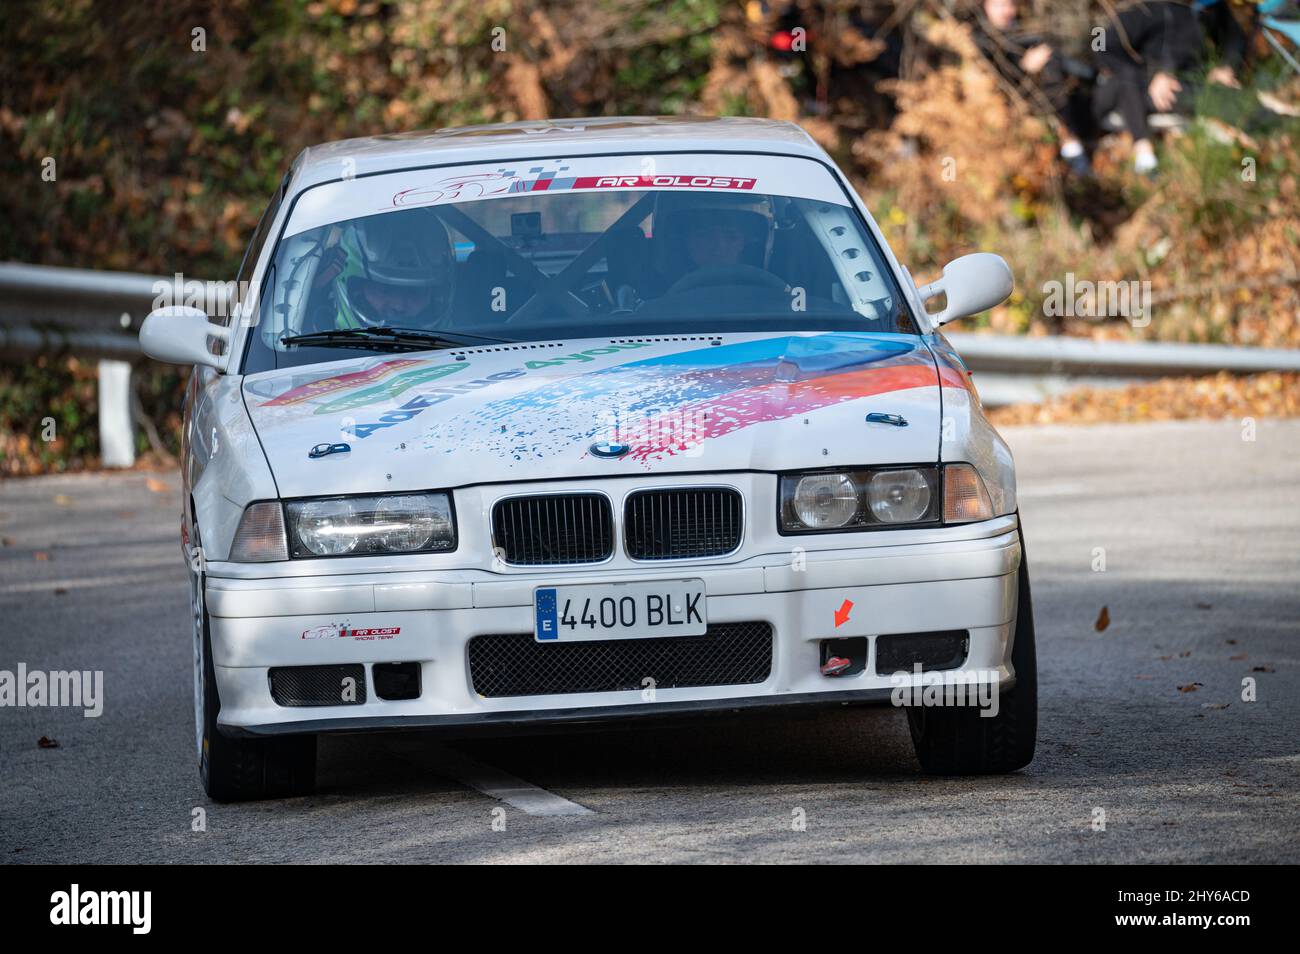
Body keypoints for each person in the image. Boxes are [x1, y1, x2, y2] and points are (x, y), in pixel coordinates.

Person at [1092, 0, 1249, 176]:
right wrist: (1153, 76)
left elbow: (1235, 38)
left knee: (1238, 104)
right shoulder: (1145, 9)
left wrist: (1227, 65)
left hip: (1180, 86)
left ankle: (1261, 137)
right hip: (1127, 90)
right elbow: (1102, 46)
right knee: (1127, 78)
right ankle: (1144, 153)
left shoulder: (1211, 7)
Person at [974, 0, 1098, 176]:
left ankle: (1073, 147)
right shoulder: (980, 38)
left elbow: (1058, 58)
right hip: (1014, 104)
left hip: (1049, 97)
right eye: (999, 5)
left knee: (1054, 63)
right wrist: (1025, 68)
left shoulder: (1025, 33)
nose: (1006, 11)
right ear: (986, 6)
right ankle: (1071, 147)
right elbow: (992, 77)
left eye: (1010, 5)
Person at [307, 209, 456, 331]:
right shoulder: (297, 342)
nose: (399, 305)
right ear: (355, 289)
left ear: (436, 295)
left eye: (414, 291)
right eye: (386, 290)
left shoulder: (475, 337)